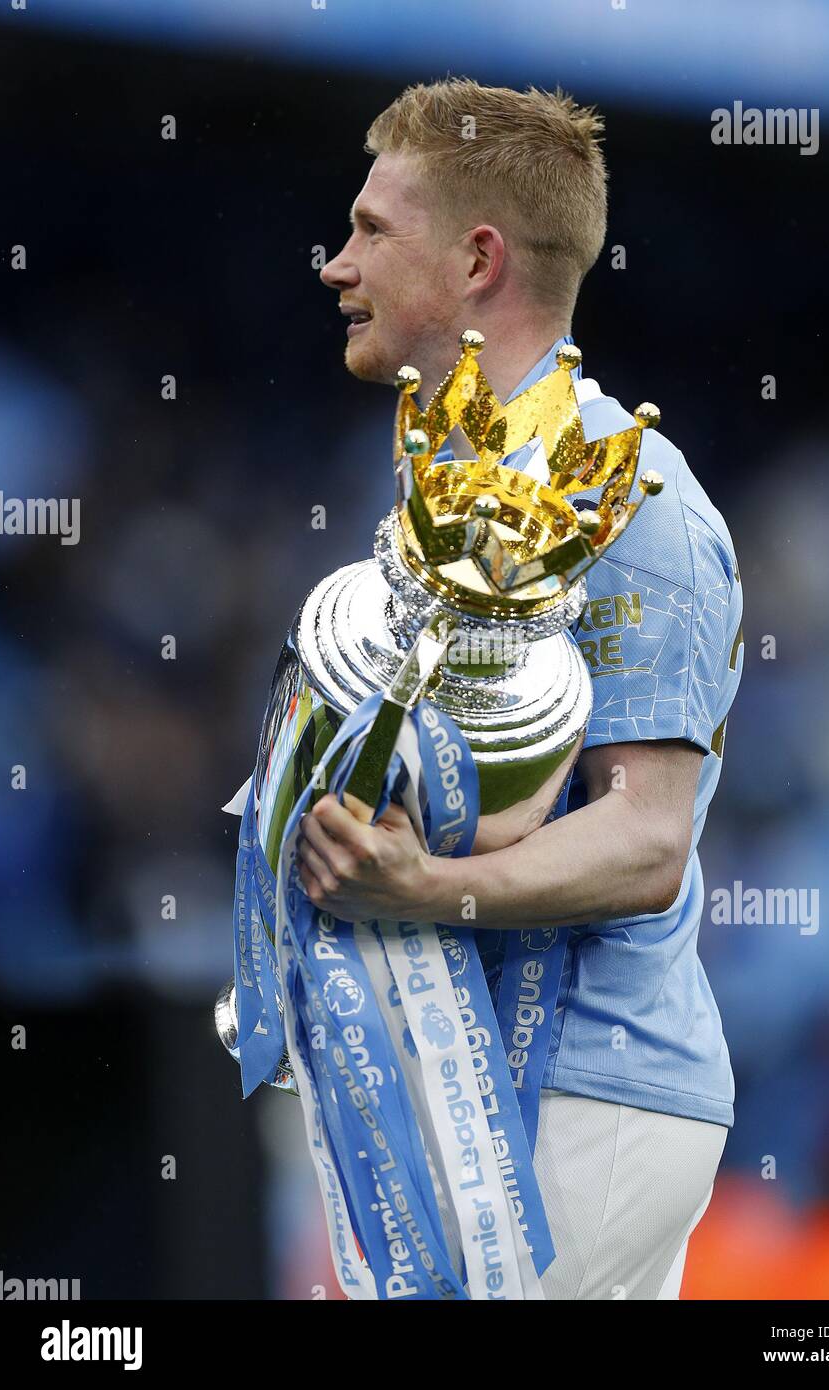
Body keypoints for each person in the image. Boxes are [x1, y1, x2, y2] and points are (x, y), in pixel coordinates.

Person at [298, 77, 744, 1300]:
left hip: (586, 1088)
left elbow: (648, 839)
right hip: (484, 1075)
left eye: (373, 232)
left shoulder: (628, 497)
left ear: (480, 258)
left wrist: (426, 888)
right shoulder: (446, 485)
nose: (337, 266)